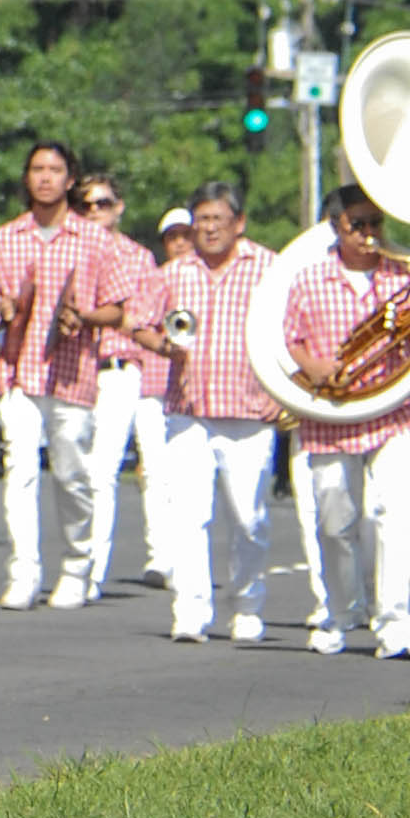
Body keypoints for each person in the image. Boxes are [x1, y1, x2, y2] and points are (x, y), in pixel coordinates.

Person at [279, 183, 410, 661]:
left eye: (376, 224)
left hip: (391, 414)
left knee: (394, 516)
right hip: (330, 416)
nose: (369, 234)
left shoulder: (401, 277)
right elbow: (287, 340)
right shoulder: (308, 279)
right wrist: (313, 366)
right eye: (358, 225)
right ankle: (339, 611)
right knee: (333, 521)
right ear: (336, 228)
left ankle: (395, 623)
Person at [0, 138, 126, 610]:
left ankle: (77, 564)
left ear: (69, 179)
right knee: (20, 470)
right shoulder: (5, 239)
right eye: (37, 169)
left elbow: (119, 308)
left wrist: (84, 316)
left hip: (71, 372)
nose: (45, 177)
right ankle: (24, 571)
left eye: (54, 169)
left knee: (70, 473)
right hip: (18, 372)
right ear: (27, 178)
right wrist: (3, 307)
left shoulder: (95, 240)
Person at [135, 183, 276, 645]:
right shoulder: (175, 272)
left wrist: (285, 390)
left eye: (218, 219)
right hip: (189, 411)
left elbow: (293, 328)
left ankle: (247, 603)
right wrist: (163, 347)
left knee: (249, 517)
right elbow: (138, 320)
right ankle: (191, 611)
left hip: (250, 410)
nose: (209, 229)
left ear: (239, 222)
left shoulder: (269, 269)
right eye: (202, 221)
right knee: (187, 513)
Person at [53, 173, 175, 602]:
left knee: (136, 470)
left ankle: (157, 559)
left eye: (102, 203)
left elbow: (138, 318)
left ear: (119, 207)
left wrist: (96, 314)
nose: (93, 212)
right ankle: (91, 566)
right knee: (90, 472)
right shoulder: (69, 250)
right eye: (85, 205)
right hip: (80, 367)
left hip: (125, 367)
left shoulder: (136, 257)